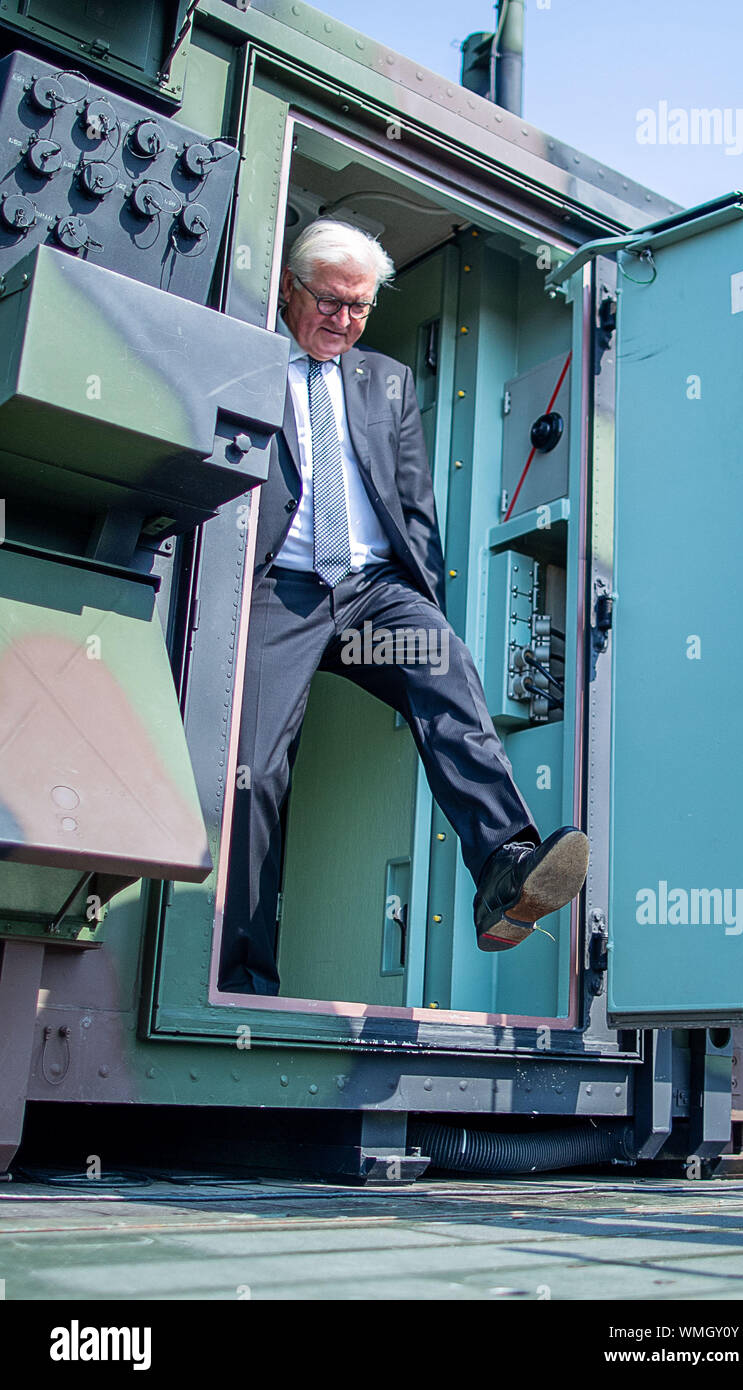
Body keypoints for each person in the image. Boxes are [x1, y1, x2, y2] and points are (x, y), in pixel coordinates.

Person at [218, 219, 589, 995]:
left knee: (443, 663)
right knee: (254, 772)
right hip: (274, 591)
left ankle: (504, 866)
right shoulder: (241, 358)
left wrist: (423, 607)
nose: (345, 322)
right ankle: (241, 978)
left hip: (367, 596)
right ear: (290, 288)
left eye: (359, 308)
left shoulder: (383, 381)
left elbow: (413, 506)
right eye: (330, 302)